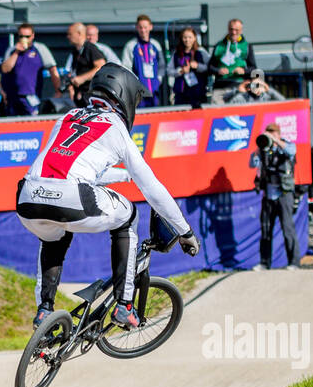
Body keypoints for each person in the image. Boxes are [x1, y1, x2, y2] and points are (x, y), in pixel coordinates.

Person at [16, 63, 200, 332]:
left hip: (28, 197)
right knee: (129, 215)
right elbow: (153, 189)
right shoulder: (116, 127)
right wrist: (184, 231)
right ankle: (124, 305)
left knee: (54, 234)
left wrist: (122, 176)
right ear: (124, 96)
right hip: (73, 197)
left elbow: (70, 167)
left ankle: (44, 310)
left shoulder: (68, 116)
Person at [250, 123, 298, 271]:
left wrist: (276, 141)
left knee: (287, 228)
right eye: (268, 133)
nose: (270, 136)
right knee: (266, 229)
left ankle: (294, 262)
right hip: (268, 196)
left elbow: (291, 151)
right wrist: (258, 149)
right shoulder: (265, 150)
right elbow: (252, 164)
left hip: (284, 194)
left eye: (273, 133)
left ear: (278, 134)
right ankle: (265, 263)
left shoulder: (286, 146)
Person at [0, 23, 58, 116]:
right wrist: (16, 52)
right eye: (21, 36)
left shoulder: (40, 48)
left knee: (32, 120)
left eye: (27, 36)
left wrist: (58, 91)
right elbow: (5, 69)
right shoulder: (12, 50)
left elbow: (53, 69)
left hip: (32, 96)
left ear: (33, 36)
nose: (24, 39)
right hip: (13, 97)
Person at [120, 15, 163, 108]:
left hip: (154, 90)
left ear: (151, 27)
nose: (143, 30)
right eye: (140, 27)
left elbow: (162, 66)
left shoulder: (156, 45)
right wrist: (134, 84)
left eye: (145, 27)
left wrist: (158, 80)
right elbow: (125, 67)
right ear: (137, 28)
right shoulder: (131, 45)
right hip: (138, 92)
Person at [209, 18, 257, 94]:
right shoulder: (219, 46)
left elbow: (254, 68)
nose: (233, 32)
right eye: (231, 29)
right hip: (220, 86)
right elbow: (210, 67)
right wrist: (218, 70)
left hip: (240, 85)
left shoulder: (247, 46)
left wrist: (243, 71)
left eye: (236, 30)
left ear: (241, 31)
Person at [64, 21, 104, 106]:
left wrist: (82, 78)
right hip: (80, 96)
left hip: (92, 97)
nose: (68, 37)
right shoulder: (75, 52)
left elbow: (101, 67)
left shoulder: (90, 48)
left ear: (79, 34)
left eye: (70, 34)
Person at [170, 27, 207, 108]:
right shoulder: (176, 53)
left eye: (190, 37)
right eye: (185, 37)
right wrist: (180, 71)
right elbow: (169, 70)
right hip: (181, 93)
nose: (187, 40)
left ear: (194, 38)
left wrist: (198, 66)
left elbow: (208, 67)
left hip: (197, 92)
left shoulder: (201, 52)